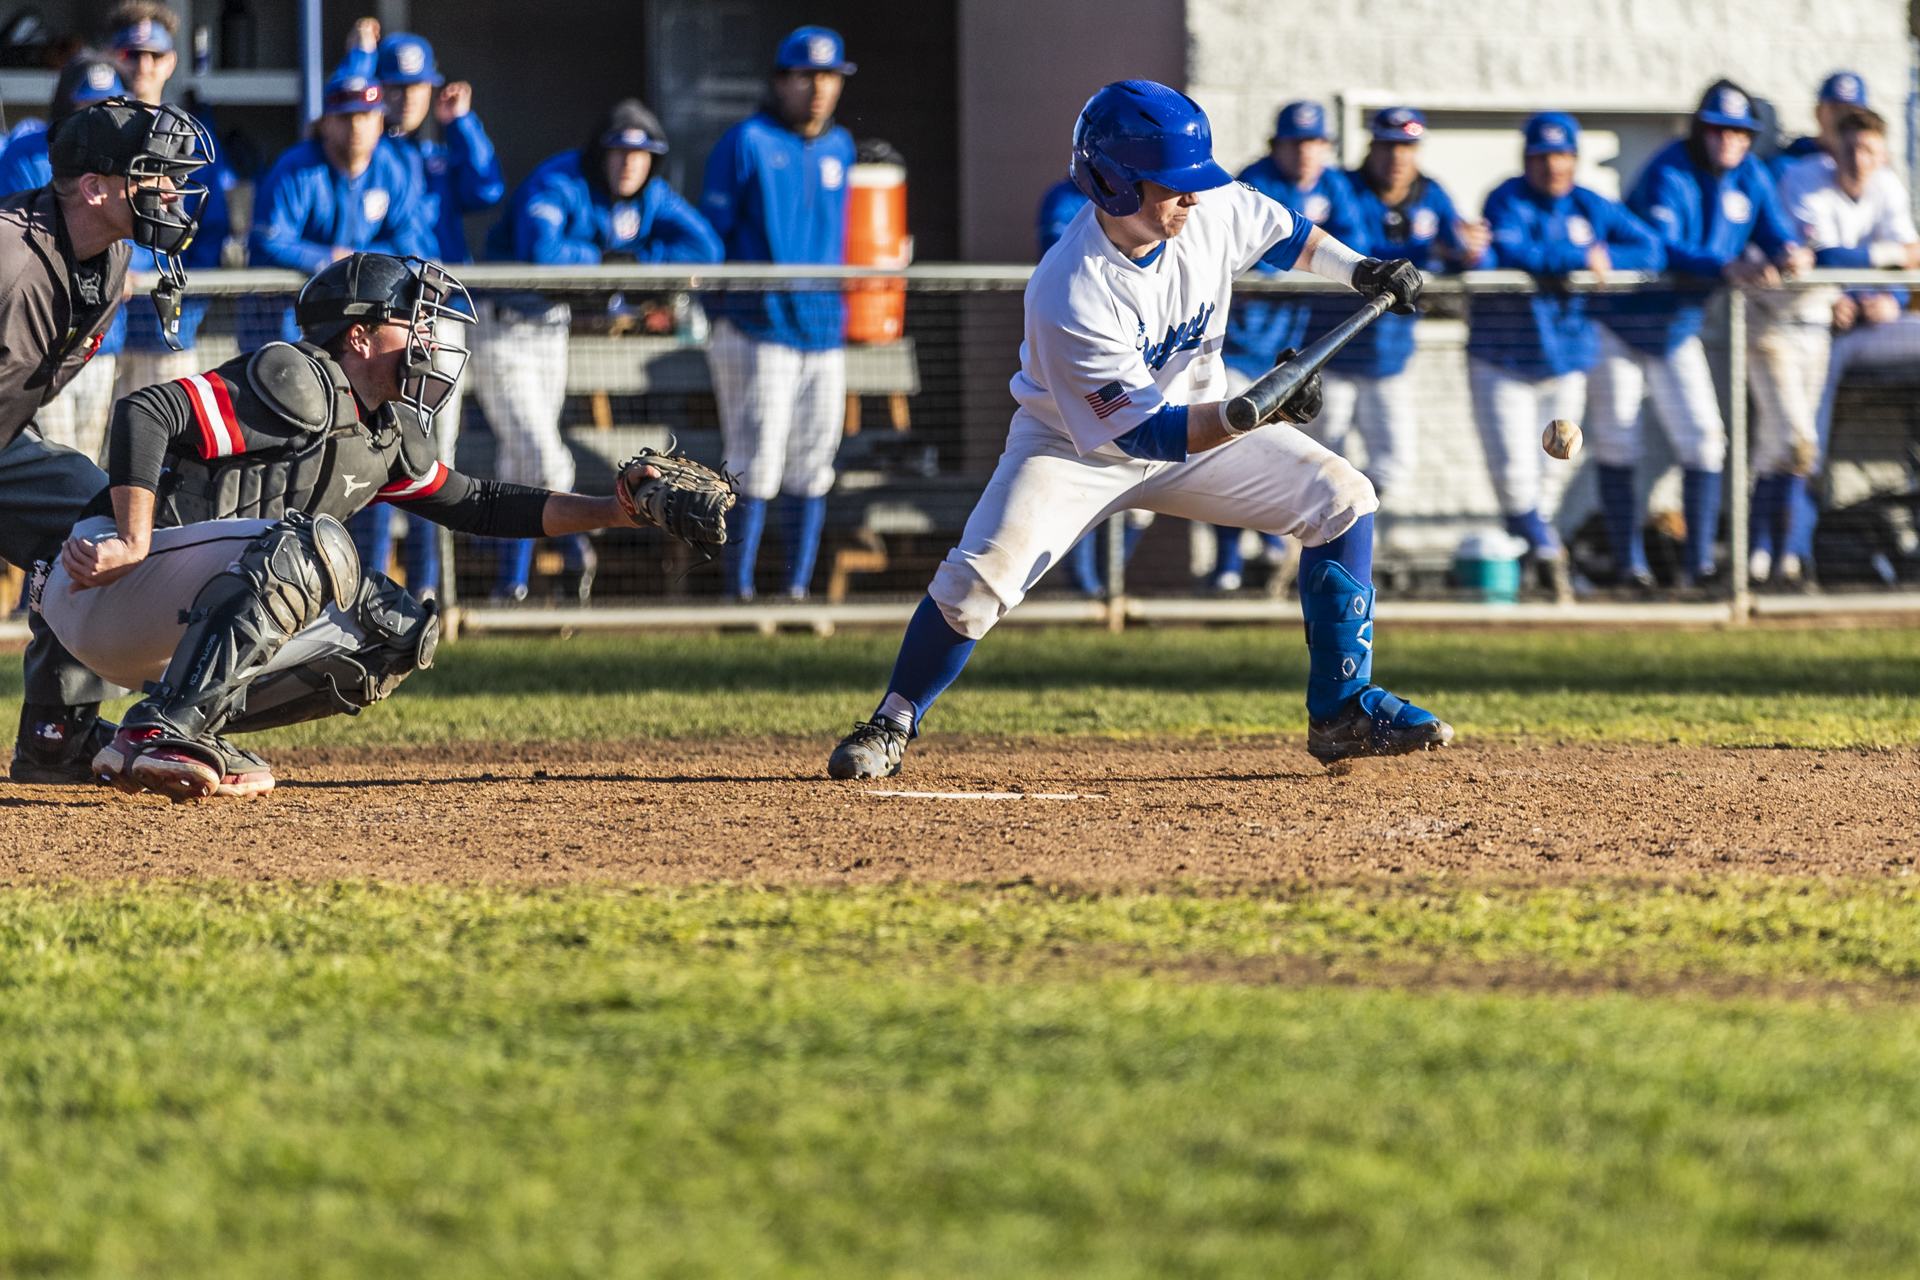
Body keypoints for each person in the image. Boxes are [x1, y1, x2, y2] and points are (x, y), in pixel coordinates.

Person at [826, 80, 1448, 781]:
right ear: (1113, 185)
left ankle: (1342, 710)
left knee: (1343, 497)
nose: (1191, 197)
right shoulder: (1071, 287)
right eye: (1172, 185)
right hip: (1073, 448)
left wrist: (1360, 271)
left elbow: (1289, 235)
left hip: (1201, 426)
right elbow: (1145, 436)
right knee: (979, 580)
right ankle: (893, 719)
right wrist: (1256, 410)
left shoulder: (1207, 210)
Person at [41, 254, 721, 800]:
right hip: (109, 587)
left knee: (398, 631)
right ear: (359, 336)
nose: (432, 340)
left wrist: (613, 508)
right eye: (413, 323)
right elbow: (146, 410)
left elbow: (481, 504)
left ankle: (193, 724)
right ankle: (165, 729)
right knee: (311, 545)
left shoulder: (385, 434)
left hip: (171, 624)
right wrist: (130, 535)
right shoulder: (297, 377)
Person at [2, 97, 210, 783]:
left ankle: (55, 737)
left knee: (95, 525)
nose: (172, 191)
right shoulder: (14, 263)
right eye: (153, 175)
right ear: (95, 188)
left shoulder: (110, 257)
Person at [481, 99, 720, 602]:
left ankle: (512, 588)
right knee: (545, 456)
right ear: (600, 153)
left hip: (552, 327)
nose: (630, 163)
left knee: (520, 460)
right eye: (619, 151)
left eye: (642, 153)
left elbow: (706, 248)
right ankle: (575, 554)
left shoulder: (649, 193)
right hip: (503, 326)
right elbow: (543, 253)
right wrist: (609, 259)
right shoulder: (560, 181)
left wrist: (636, 259)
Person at [1590, 81, 1811, 590]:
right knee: (1618, 441)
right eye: (1718, 128)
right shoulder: (1669, 169)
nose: (1729, 139)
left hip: (1676, 327)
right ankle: (1630, 567)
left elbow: (1773, 230)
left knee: (1705, 442)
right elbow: (1661, 245)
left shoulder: (1751, 175)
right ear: (1700, 129)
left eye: (1740, 130)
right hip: (1622, 322)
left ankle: (1698, 568)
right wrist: (1723, 265)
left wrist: (1790, 252)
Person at [247, 59, 436, 590]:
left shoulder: (393, 170)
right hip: (289, 339)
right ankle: (277, 582)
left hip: (361, 350)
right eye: (346, 115)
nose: (357, 125)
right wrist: (337, 259)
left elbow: (416, 245)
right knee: (290, 466)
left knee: (375, 459)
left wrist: (365, 267)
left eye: (368, 115)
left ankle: (380, 583)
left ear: (381, 122)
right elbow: (268, 239)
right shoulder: (297, 167)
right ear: (326, 121)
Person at [1468, 112, 1664, 580]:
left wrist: (1608, 257)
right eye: (1541, 156)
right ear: (1526, 159)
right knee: (1514, 472)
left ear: (1575, 159)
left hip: (1569, 358)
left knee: (1552, 471)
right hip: (1506, 359)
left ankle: (1535, 563)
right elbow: (1516, 251)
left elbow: (1650, 249)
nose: (1552, 166)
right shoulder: (1507, 197)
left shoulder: (1588, 204)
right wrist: (1580, 258)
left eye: (1561, 155)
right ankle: (1545, 553)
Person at [701, 25, 858, 601]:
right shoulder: (745, 141)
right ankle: (737, 595)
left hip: (822, 328)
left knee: (814, 462)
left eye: (830, 77)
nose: (818, 88)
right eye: (805, 76)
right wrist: (713, 310)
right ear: (780, 81)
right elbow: (709, 238)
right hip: (755, 326)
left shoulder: (842, 145)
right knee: (753, 462)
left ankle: (796, 592)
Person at [1754, 106, 1920, 586]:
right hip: (1808, 329)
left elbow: (1910, 261)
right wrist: (1866, 282)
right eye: (1849, 147)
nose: (1858, 157)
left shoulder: (1887, 185)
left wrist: (1886, 297)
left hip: (1869, 327)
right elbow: (1822, 257)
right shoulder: (1803, 178)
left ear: (1883, 153)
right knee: (1803, 442)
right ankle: (1791, 556)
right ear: (1833, 146)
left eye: (1868, 148)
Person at [1298, 106, 1486, 519]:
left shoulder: (1432, 193)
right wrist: (1425, 252)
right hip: (1333, 350)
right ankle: (1306, 543)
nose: (1397, 157)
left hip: (1390, 356)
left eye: (1407, 147)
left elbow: (1463, 251)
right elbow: (1354, 250)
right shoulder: (1344, 186)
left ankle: (1349, 521)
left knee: (1394, 462)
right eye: (1388, 146)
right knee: (1321, 457)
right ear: (1372, 147)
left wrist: (1469, 248)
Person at [1211, 99, 1365, 591]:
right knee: (1228, 446)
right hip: (1231, 343)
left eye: (1314, 142)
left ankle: (1271, 551)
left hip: (1287, 350)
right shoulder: (1252, 178)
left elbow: (1357, 239)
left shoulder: (1334, 184)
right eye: (1294, 143)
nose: (1304, 153)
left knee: (1280, 453)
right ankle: (1229, 564)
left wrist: (1295, 265)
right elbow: (1234, 251)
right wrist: (1299, 265)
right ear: (1275, 146)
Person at [376, 29, 504, 600]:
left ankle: (428, 589)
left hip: (441, 313)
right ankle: (374, 586)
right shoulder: (368, 153)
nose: (407, 97)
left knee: (435, 451)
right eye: (396, 86)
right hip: (386, 319)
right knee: (377, 448)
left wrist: (463, 123)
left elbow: (487, 188)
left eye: (417, 87)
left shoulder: (439, 153)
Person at [104, 2, 237, 402]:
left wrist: (180, 308)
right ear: (114, 56)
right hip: (95, 331)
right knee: (78, 457)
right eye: (132, 54)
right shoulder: (91, 132)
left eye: (155, 55)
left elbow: (209, 234)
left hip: (159, 333)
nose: (143, 66)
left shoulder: (193, 141)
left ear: (171, 61)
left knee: (155, 459)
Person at [0, 54, 129, 465]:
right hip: (39, 334)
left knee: (85, 463)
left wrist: (131, 269)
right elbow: (32, 233)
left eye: (108, 105)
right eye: (85, 106)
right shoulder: (30, 153)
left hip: (97, 341)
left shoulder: (129, 160)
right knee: (50, 451)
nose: (97, 115)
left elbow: (137, 230)